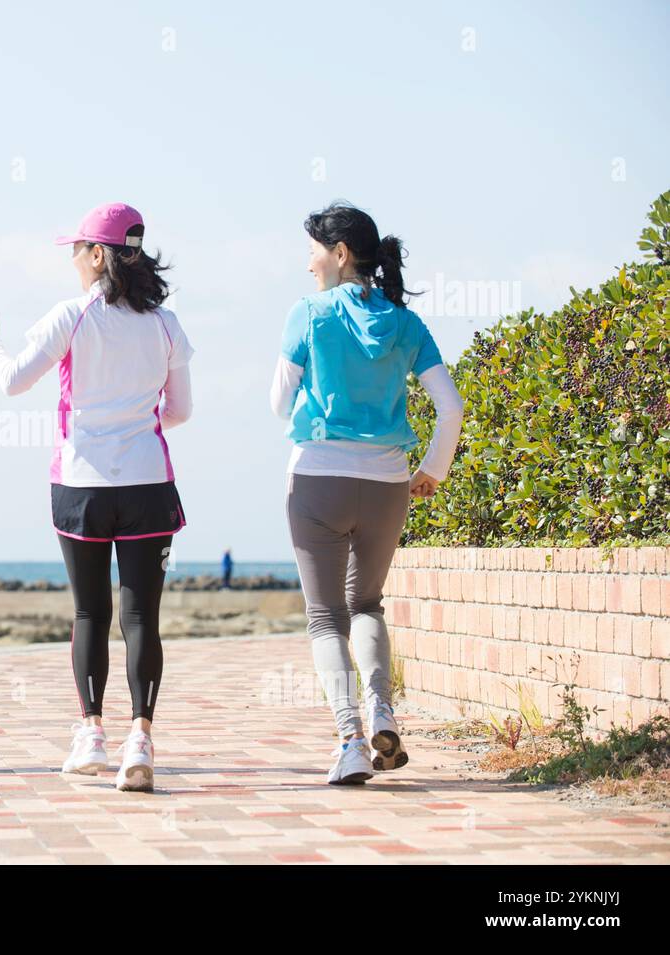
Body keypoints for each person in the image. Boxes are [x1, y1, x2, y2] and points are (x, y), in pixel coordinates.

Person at [0, 202, 194, 792]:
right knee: (141, 615)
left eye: (77, 248)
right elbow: (181, 411)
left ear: (98, 254)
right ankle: (140, 738)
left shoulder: (73, 314)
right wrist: (141, 422)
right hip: (147, 483)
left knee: (90, 611)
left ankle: (91, 732)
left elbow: (12, 379)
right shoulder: (166, 325)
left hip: (81, 484)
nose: (71, 259)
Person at [270, 202, 463, 785]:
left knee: (326, 618)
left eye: (312, 250)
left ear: (340, 254)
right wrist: (432, 468)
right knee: (367, 606)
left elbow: (278, 405)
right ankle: (383, 708)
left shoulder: (307, 314)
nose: (308, 264)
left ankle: (351, 742)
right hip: (386, 485)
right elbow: (450, 407)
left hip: (318, 480)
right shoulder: (406, 323)